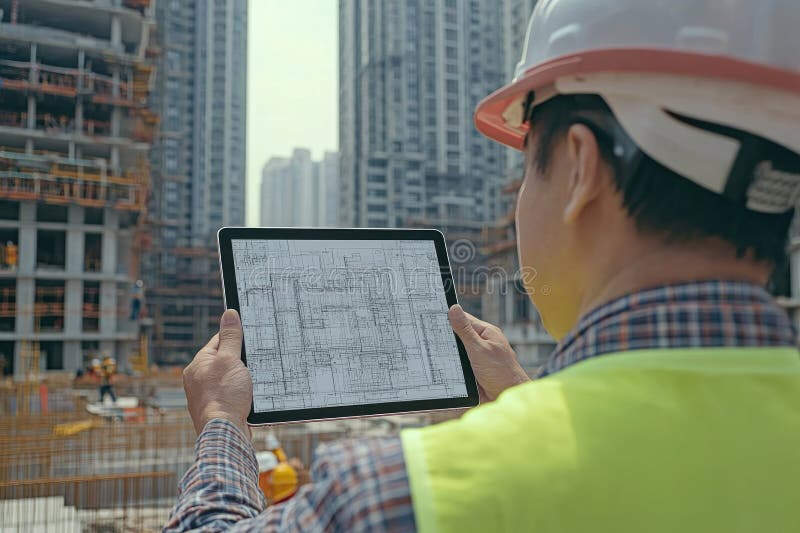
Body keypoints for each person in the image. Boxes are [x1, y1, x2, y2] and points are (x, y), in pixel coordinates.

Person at [166, 1, 800, 531]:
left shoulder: (397, 496)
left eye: (527, 168)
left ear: (580, 168)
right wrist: (524, 399)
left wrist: (222, 422)